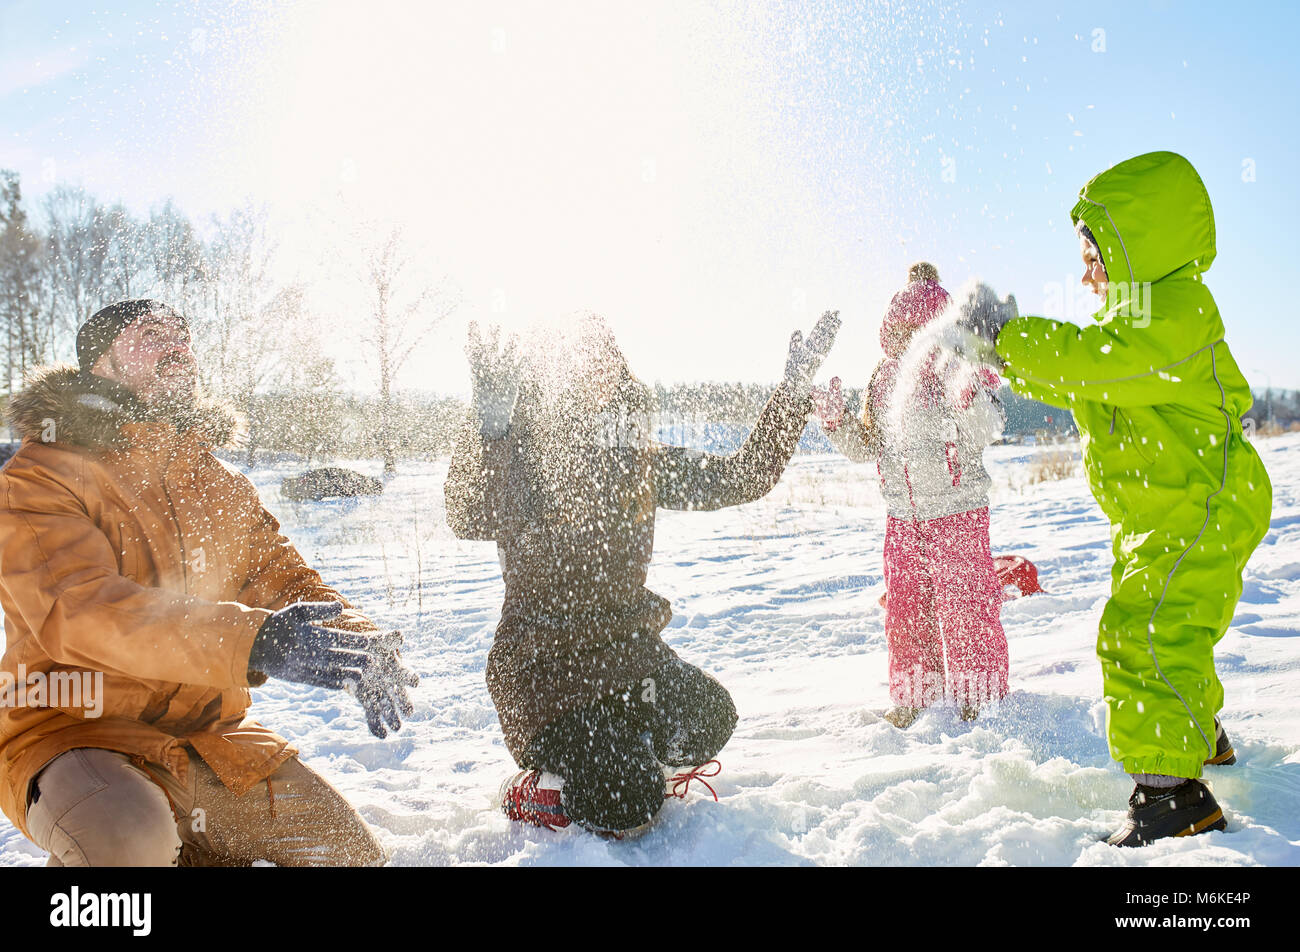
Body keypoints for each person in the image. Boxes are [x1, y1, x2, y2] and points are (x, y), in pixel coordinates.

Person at [0, 299, 418, 866]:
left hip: (208, 740)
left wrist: (356, 640)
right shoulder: (42, 474)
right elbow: (82, 610)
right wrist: (252, 641)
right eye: (150, 334)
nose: (177, 347)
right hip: (73, 734)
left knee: (347, 855)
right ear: (100, 364)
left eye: (184, 335)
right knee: (128, 840)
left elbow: (286, 581)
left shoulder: (221, 485)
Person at [956, 151, 1272, 846]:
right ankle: (1192, 735)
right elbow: (1083, 377)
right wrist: (1005, 348)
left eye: (1095, 254)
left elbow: (1090, 364)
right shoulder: (1141, 321)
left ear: (1140, 243)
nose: (1086, 273)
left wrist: (1010, 336)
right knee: (1171, 625)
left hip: (1198, 505)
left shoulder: (1174, 314)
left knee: (1146, 631)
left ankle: (1171, 799)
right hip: (1172, 510)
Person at [445, 311, 839, 836]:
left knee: (709, 716)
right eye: (582, 360)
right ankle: (536, 790)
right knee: (628, 803)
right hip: (546, 677)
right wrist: (487, 423)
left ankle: (619, 751)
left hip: (628, 656)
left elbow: (741, 476)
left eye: (605, 357)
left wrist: (793, 393)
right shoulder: (527, 452)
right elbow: (467, 512)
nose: (597, 371)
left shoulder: (635, 457)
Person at [817, 263, 1008, 728]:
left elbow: (989, 431)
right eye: (901, 331)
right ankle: (915, 696)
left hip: (958, 511)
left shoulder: (957, 369)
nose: (909, 341)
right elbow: (868, 446)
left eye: (918, 330)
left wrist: (972, 401)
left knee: (967, 608)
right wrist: (837, 422)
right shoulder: (883, 382)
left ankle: (980, 697)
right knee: (907, 611)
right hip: (903, 518)